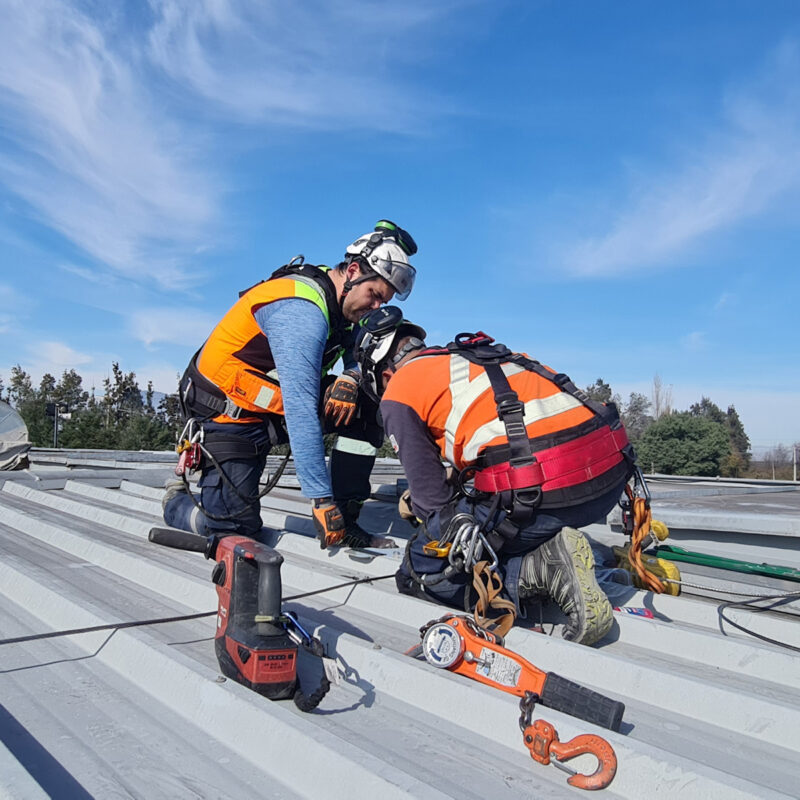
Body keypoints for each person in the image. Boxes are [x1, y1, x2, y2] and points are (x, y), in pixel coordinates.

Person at [354, 308, 636, 645]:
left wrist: (423, 510)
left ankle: (541, 572)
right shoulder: (485, 358)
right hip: (608, 482)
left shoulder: (399, 389)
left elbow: (433, 504)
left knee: (421, 568)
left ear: (384, 374)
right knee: (493, 525)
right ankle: (593, 569)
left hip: (543, 496)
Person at [163, 221, 418, 550]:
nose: (376, 308)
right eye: (375, 295)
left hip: (270, 406)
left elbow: (360, 351)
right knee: (234, 530)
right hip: (228, 415)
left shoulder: (342, 303)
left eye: (383, 301)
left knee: (367, 403)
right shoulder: (303, 312)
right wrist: (320, 499)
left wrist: (351, 377)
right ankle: (176, 501)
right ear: (354, 272)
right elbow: (301, 409)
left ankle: (347, 517)